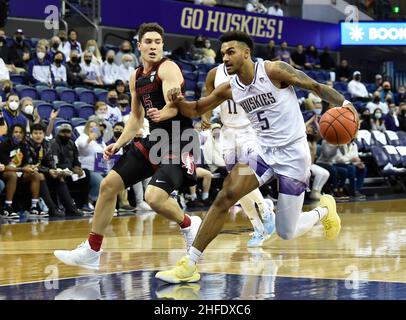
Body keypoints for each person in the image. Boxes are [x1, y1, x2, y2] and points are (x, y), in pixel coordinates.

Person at [155, 30, 358, 283]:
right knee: (226, 195)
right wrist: (178, 100)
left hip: (294, 155)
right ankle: (190, 263)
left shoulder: (274, 71)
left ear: (246, 53)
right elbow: (197, 109)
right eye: (222, 54)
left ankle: (323, 212)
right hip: (262, 151)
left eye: (231, 52)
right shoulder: (230, 87)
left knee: (286, 231)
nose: (225, 58)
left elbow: (315, 87)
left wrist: (345, 104)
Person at [53, 23, 202, 270]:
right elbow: (135, 118)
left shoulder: (168, 68)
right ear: (139, 45)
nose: (153, 46)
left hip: (179, 139)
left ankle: (188, 224)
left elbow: (173, 105)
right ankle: (92, 249)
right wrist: (118, 143)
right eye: (148, 42)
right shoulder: (136, 77)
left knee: (152, 197)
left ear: (162, 46)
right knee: (108, 185)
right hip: (155, 138)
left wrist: (163, 113)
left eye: (158, 42)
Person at [199, 61, 276, 247]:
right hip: (227, 132)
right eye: (225, 51)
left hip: (250, 130)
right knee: (235, 184)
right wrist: (205, 117)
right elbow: (207, 96)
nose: (228, 55)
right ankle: (258, 227)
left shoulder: (254, 71)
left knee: (243, 177)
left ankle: (265, 210)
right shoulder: (214, 74)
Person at [0, 124, 45, 219]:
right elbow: (5, 166)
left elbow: (25, 163)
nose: (18, 134)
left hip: (20, 172)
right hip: (5, 173)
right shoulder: (4, 145)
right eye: (16, 132)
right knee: (12, 175)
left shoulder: (23, 145)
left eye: (20, 132)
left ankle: (34, 206)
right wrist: (21, 169)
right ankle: (7, 207)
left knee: (35, 174)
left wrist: (30, 167)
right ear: (11, 133)